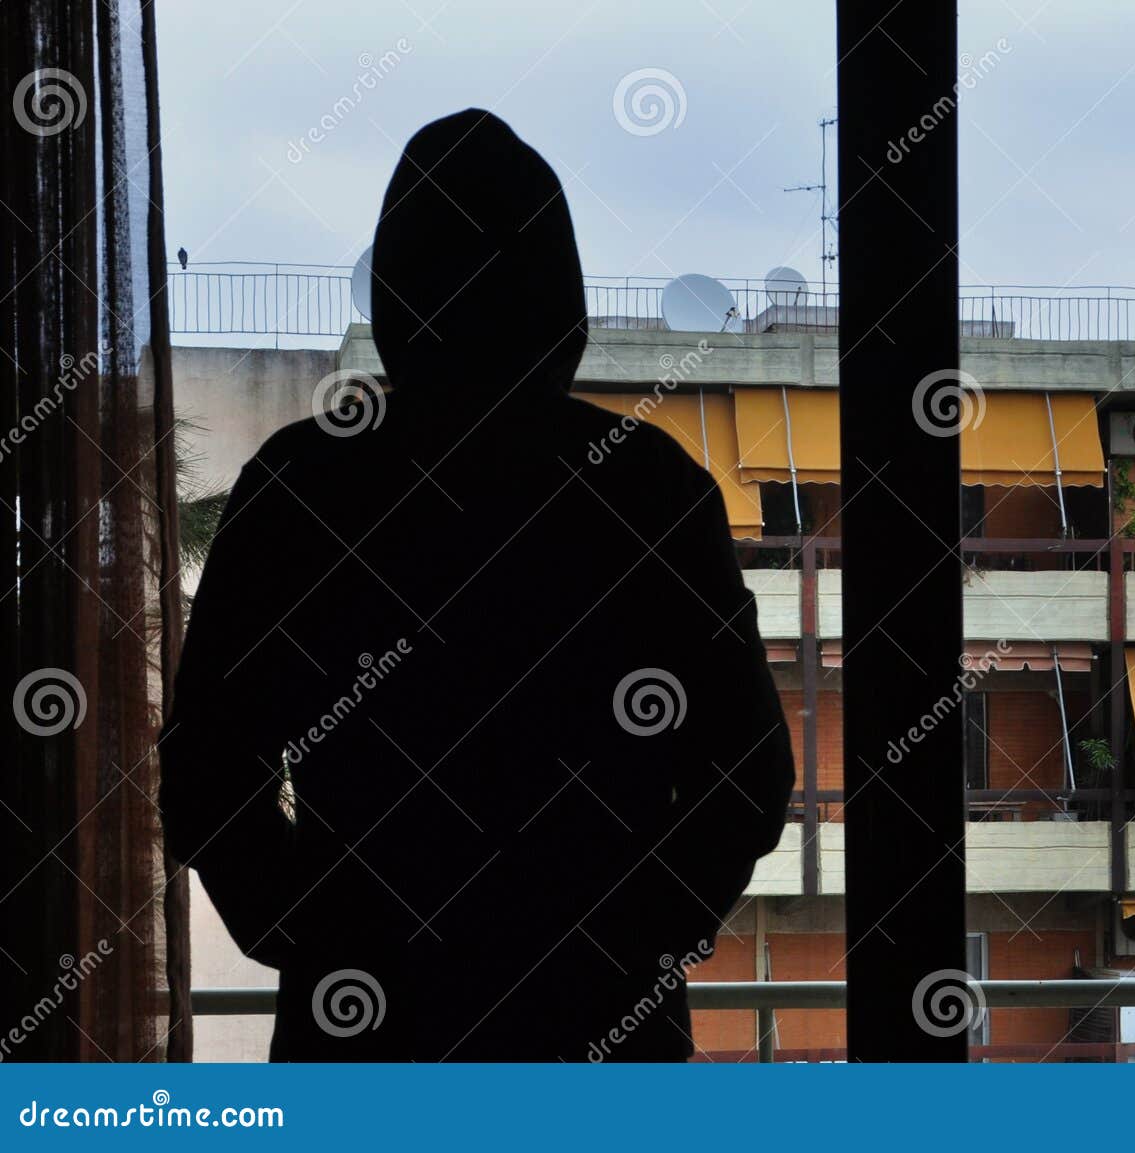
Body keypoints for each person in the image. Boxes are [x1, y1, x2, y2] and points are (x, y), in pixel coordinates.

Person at [160, 110, 794, 1061]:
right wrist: (634, 937)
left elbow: (206, 769)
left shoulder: (304, 489)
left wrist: (319, 935)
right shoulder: (647, 489)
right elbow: (747, 774)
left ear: (399, 294)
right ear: (558, 297)